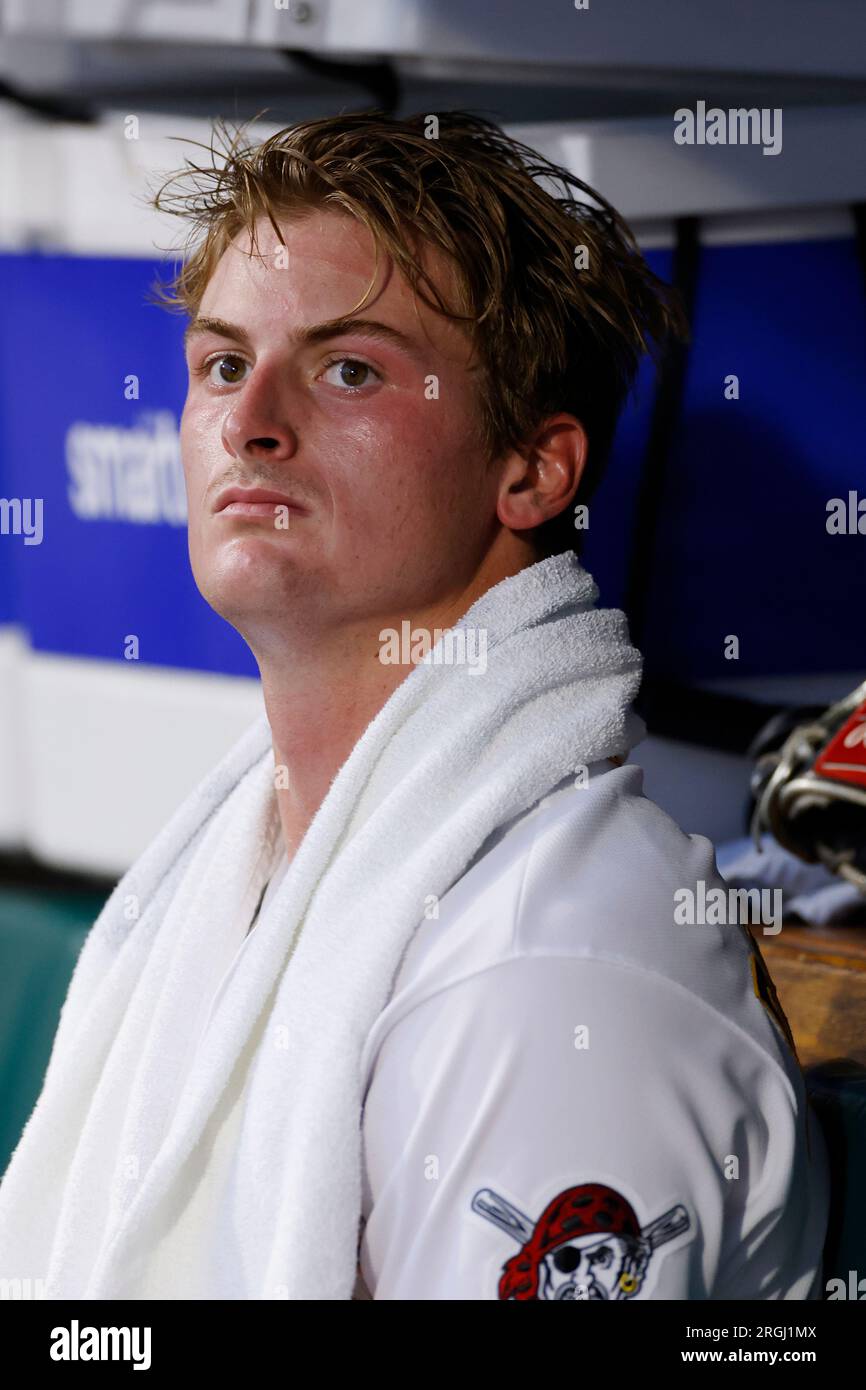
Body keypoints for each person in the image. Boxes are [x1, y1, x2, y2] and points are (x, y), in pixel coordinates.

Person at [0, 110, 829, 1301]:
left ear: (533, 469)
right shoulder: (240, 879)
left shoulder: (555, 971)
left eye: (348, 368)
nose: (250, 420)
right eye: (223, 363)